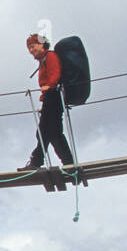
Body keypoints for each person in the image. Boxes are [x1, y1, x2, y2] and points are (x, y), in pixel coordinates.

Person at [19, 33, 75, 170]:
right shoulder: (44, 60)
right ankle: (67, 164)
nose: (31, 51)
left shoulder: (50, 56)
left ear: (41, 45)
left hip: (53, 96)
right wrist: (45, 102)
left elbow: (55, 74)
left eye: (33, 47)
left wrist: (48, 87)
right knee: (50, 133)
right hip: (51, 98)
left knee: (48, 132)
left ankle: (39, 162)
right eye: (29, 49)